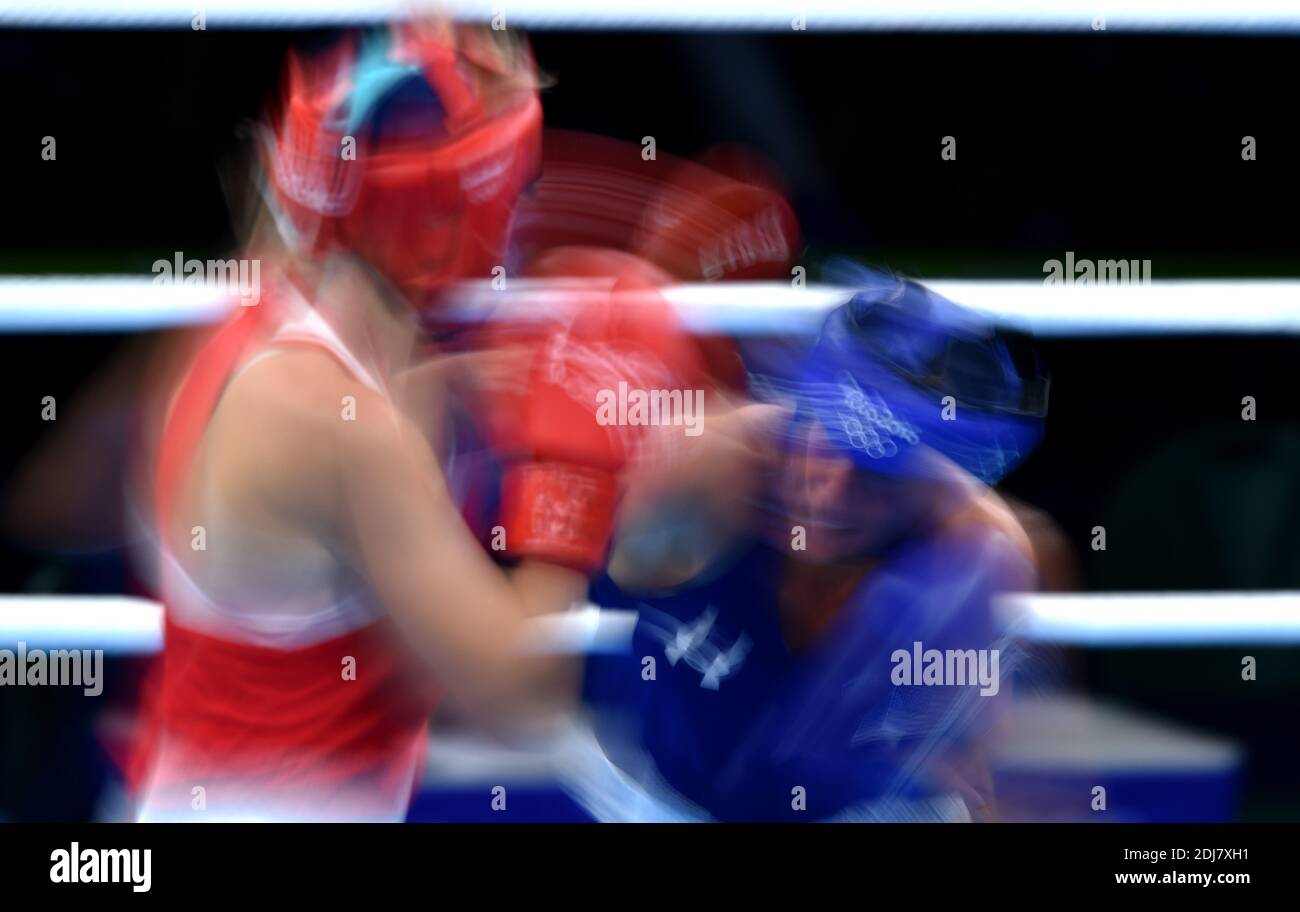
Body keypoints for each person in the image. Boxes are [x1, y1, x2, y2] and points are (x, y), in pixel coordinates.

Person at [131, 20, 697, 822]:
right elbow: (519, 692)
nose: (522, 213)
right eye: (517, 185)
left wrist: (462, 385)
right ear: (454, 212)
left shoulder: (260, 318)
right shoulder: (340, 423)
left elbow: (368, 585)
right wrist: (575, 471)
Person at [583, 263, 1050, 822]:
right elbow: (556, 666)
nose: (827, 496)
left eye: (878, 476)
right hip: (655, 796)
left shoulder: (975, 552)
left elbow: (974, 770)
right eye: (822, 438)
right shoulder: (704, 471)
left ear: (939, 488)